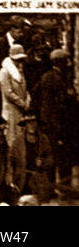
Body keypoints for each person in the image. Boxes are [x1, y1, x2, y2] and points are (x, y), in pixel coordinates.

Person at [38, 49, 76, 190]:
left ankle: (50, 187)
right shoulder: (58, 79)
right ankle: (65, 189)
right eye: (67, 61)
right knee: (63, 159)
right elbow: (60, 106)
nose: (69, 64)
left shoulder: (47, 76)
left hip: (49, 124)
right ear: (60, 63)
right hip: (58, 126)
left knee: (51, 158)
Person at [9, 111, 55, 203]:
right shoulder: (17, 141)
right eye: (29, 123)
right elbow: (10, 161)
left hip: (39, 181)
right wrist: (10, 178)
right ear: (25, 125)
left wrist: (43, 162)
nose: (32, 125)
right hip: (22, 181)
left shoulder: (43, 139)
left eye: (34, 122)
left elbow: (51, 159)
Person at [0, 42, 31, 148]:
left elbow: (24, 89)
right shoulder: (5, 72)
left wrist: (28, 99)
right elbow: (8, 93)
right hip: (11, 110)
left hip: (21, 110)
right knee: (12, 138)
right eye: (17, 60)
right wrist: (22, 103)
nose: (20, 62)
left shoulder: (19, 71)